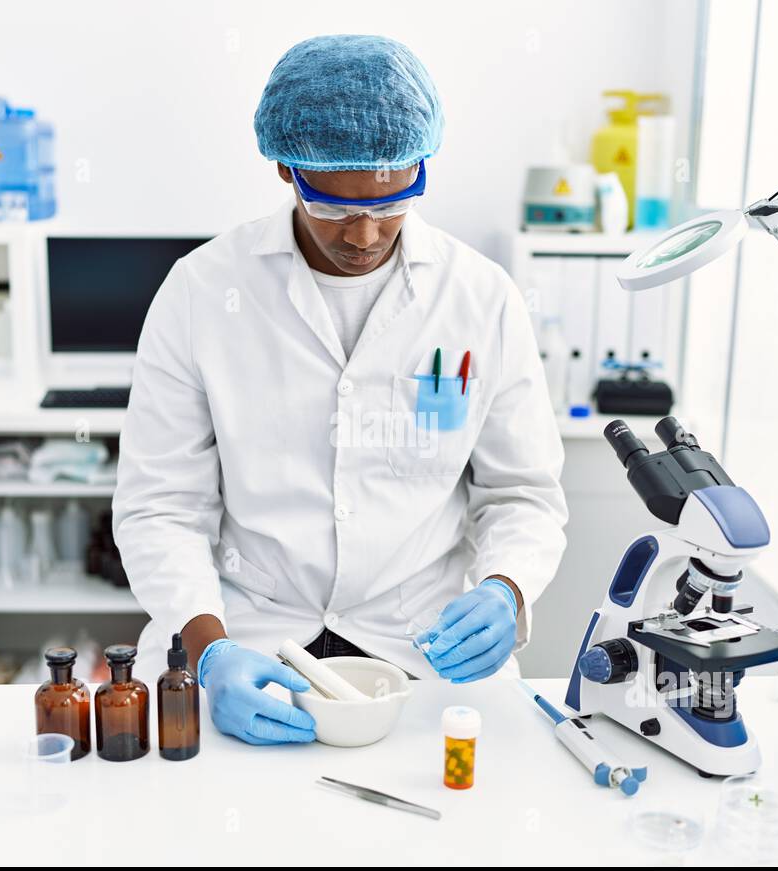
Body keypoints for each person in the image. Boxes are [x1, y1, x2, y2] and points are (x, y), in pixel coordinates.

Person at [113, 35, 567, 746]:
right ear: (285, 169)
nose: (365, 234)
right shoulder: (203, 291)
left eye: (393, 202)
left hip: (426, 647)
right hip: (250, 635)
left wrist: (505, 589)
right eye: (335, 206)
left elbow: (524, 494)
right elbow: (159, 506)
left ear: (423, 167)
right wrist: (211, 652)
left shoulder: (481, 298)